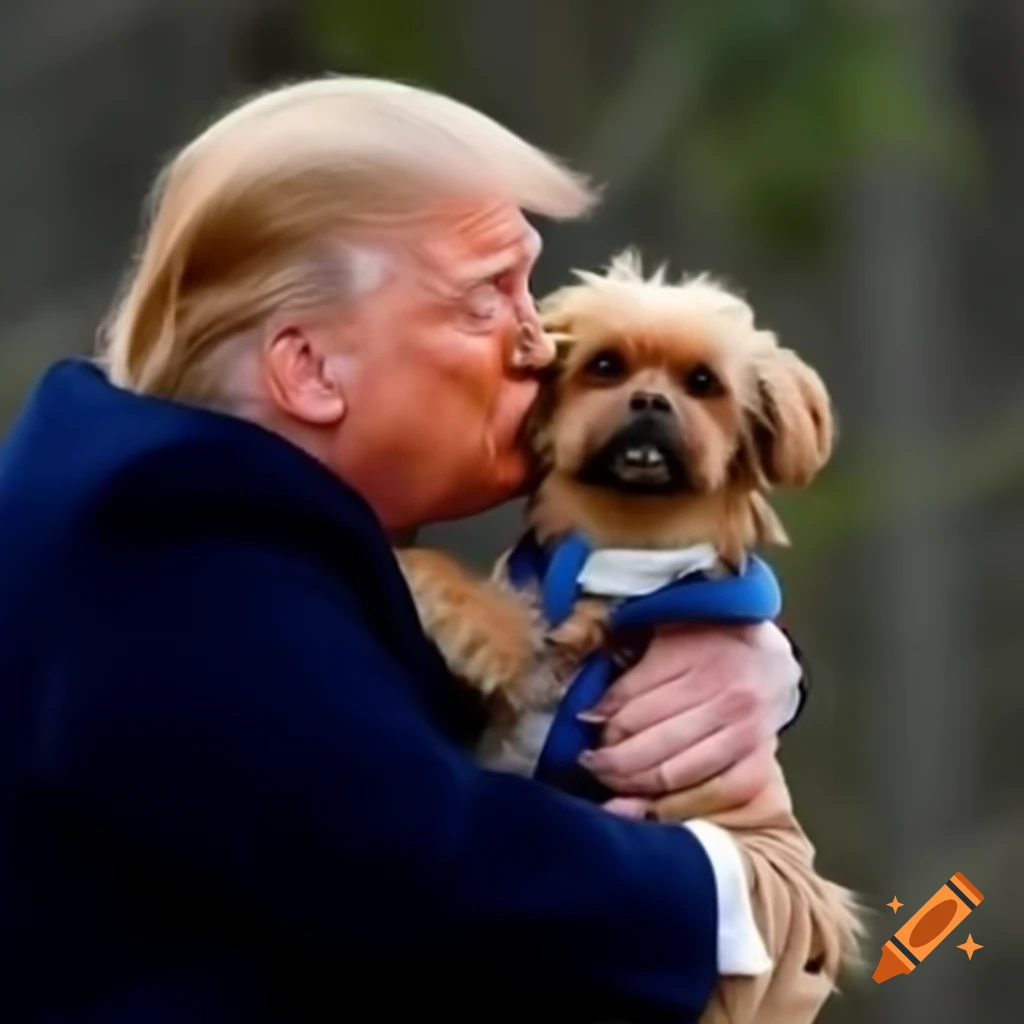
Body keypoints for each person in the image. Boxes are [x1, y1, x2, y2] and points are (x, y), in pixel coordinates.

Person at [0, 77, 809, 1022]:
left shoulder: (203, 513)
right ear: (309, 371)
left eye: (528, 286)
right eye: (484, 299)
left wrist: (739, 643)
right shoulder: (168, 539)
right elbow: (419, 855)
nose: (538, 343)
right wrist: (725, 886)